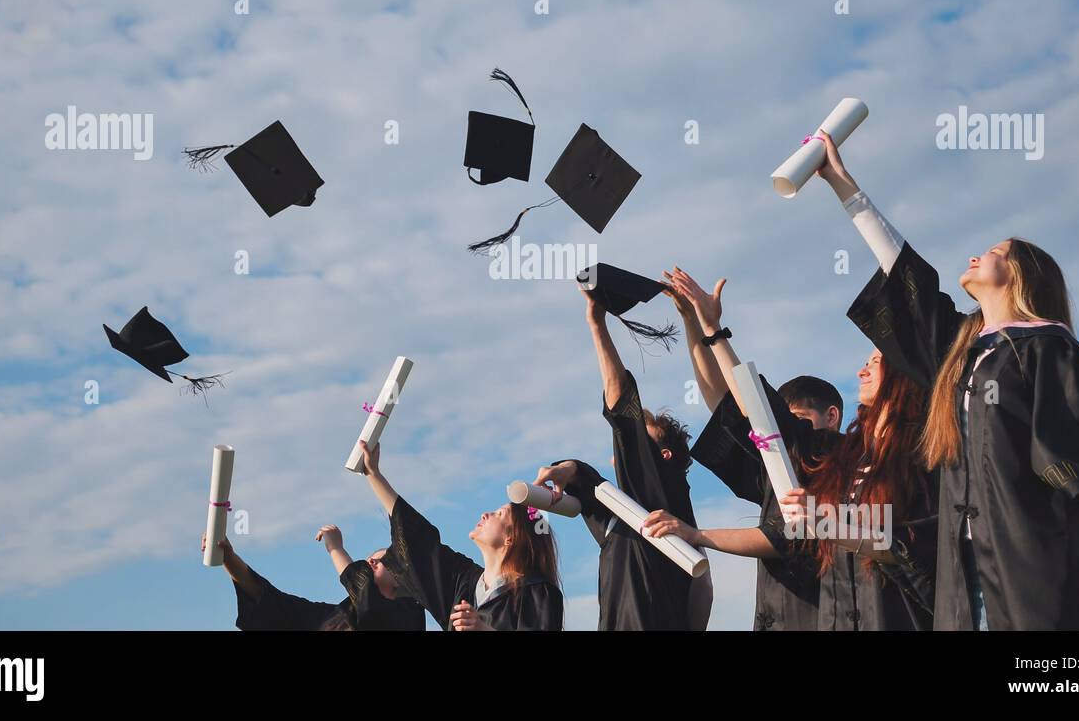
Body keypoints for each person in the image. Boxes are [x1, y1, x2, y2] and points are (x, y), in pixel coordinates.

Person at [814, 129, 1079, 630]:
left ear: (1021, 277)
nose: (978, 255)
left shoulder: (1049, 349)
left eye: (996, 251)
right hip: (966, 574)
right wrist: (844, 187)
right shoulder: (964, 355)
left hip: (1035, 565)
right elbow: (907, 277)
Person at [651, 268, 939, 630]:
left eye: (877, 362)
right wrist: (707, 329)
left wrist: (824, 520)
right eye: (865, 362)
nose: (862, 372)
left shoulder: (926, 458)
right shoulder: (832, 455)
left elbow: (908, 546)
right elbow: (748, 409)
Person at [532, 281, 710, 630]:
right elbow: (591, 486)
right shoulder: (622, 521)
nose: (622, 457)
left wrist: (597, 325)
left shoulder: (666, 496)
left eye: (641, 447)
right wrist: (570, 469)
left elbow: (622, 412)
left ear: (665, 457)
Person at [356, 440, 564, 631]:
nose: (486, 514)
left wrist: (483, 629)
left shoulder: (538, 593)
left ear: (512, 537)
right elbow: (418, 544)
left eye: (500, 514)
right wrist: (374, 474)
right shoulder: (464, 583)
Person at [204, 528, 424, 630]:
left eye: (383, 561)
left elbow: (367, 594)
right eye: (369, 559)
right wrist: (229, 559)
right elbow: (269, 601)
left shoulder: (410, 612)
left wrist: (335, 548)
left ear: (401, 580)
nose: (371, 562)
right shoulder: (333, 618)